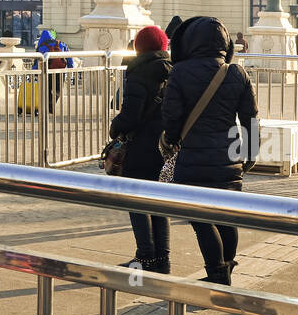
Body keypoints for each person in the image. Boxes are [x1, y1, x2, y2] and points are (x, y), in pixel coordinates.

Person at [160, 16, 260, 285]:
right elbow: (250, 118)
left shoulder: (180, 73)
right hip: (229, 157)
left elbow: (171, 117)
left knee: (200, 216)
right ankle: (226, 269)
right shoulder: (236, 73)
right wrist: (250, 153)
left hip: (193, 157)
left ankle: (217, 273)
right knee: (227, 216)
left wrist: (171, 139)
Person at [109, 25, 173, 273]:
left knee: (136, 200)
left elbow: (131, 115)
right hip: (163, 147)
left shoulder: (138, 72)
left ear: (139, 47)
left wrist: (115, 127)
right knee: (159, 203)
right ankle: (163, 260)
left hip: (141, 147)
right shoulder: (172, 71)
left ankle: (145, 255)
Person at [36, 29, 73, 111]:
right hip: (60, 71)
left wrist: (34, 71)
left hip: (47, 71)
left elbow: (37, 60)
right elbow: (69, 57)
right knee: (58, 89)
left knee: (47, 89)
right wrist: (71, 67)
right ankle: (53, 102)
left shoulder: (42, 46)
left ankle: (49, 105)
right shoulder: (61, 44)